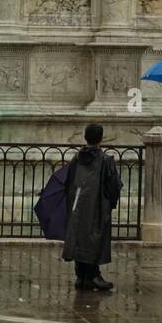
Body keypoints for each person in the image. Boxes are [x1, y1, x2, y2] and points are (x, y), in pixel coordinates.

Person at [63, 122, 122, 293]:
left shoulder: (77, 158)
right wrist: (110, 203)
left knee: (80, 237)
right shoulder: (105, 160)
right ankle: (93, 276)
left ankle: (81, 275)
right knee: (95, 239)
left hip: (78, 205)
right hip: (97, 206)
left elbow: (69, 181)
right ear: (101, 139)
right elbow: (114, 186)